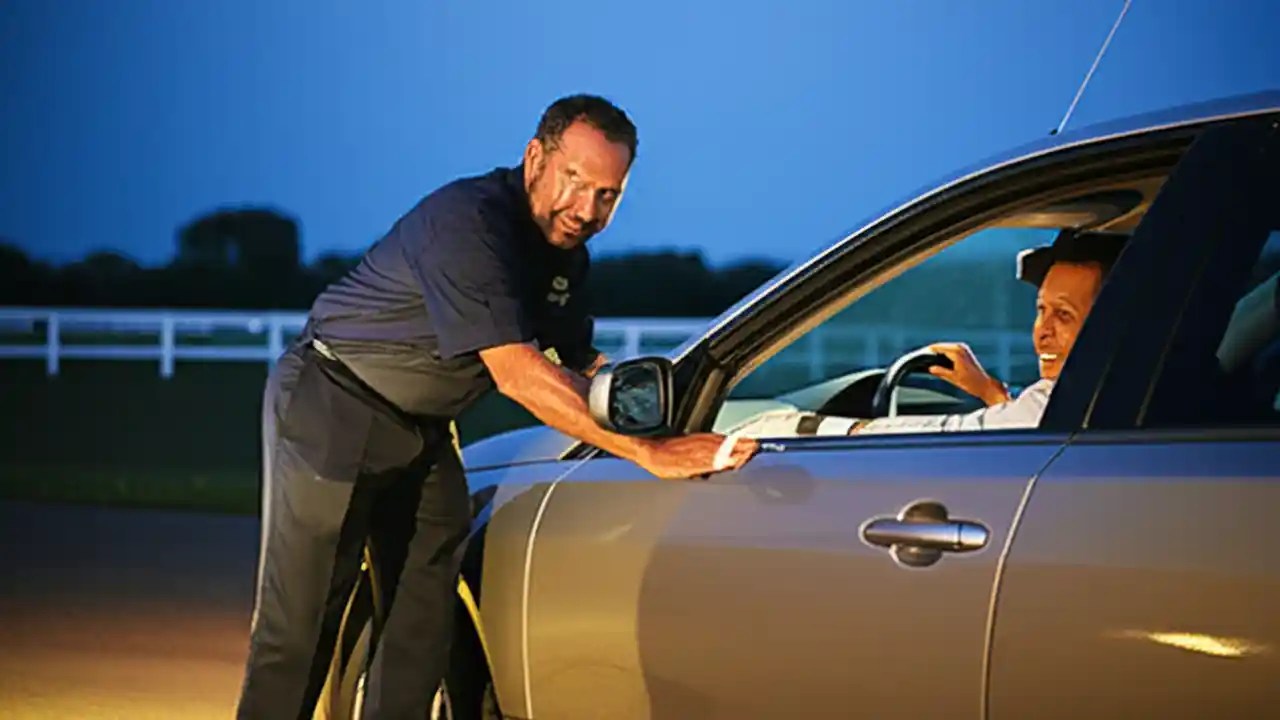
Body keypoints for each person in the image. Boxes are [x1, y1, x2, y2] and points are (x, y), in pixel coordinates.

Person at [236, 94, 757, 719]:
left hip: (421, 427)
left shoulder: (565, 255)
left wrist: (698, 414)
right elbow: (519, 374)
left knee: (422, 624)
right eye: (576, 181)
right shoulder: (470, 224)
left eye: (608, 195)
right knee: (305, 622)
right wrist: (649, 452)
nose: (587, 209)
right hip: (334, 402)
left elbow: (581, 368)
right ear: (535, 158)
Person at [728, 231, 1128, 438]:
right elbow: (1034, 418)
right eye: (1040, 310)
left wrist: (818, 429)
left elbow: (952, 436)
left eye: (1064, 314)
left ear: (1112, 324)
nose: (1042, 332)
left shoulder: (1079, 398)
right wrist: (990, 391)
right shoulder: (1117, 396)